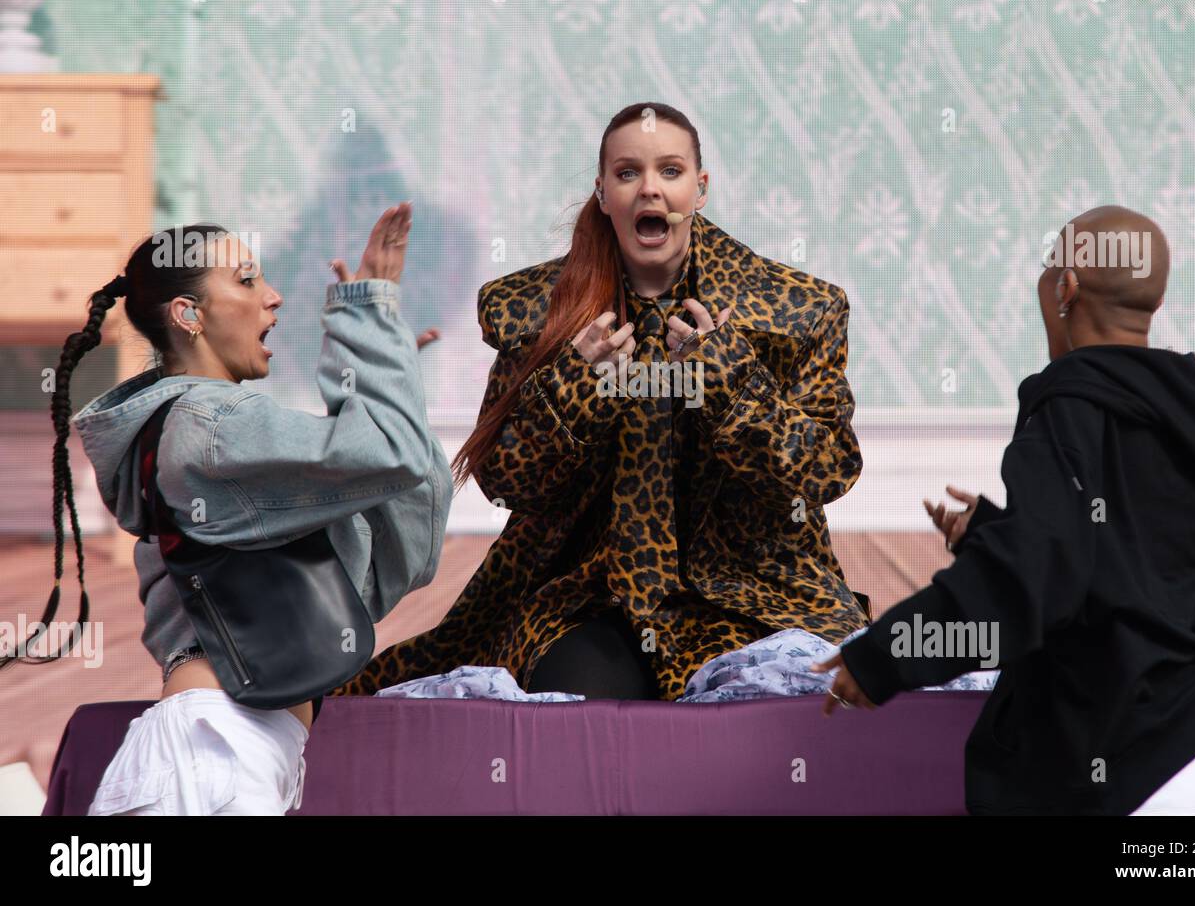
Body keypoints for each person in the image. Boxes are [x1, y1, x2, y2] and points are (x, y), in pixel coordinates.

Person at [338, 102, 870, 702]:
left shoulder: (795, 310)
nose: (649, 188)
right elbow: (508, 482)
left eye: (670, 171)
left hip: (751, 589)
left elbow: (826, 470)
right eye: (627, 173)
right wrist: (576, 383)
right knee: (578, 721)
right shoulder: (535, 309)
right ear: (602, 193)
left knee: (785, 718)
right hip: (586, 593)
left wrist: (727, 376)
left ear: (700, 190)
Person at [815, 205, 1195, 816]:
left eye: (1050, 269)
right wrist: (997, 530)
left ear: (1066, 288)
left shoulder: (1066, 410)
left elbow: (1028, 576)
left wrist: (883, 657)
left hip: (1147, 769)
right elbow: (1125, 550)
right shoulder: (1187, 413)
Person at [42, 206, 452, 814]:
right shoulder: (209, 427)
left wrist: (392, 384)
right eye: (246, 281)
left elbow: (403, 554)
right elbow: (391, 454)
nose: (274, 298)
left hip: (242, 755)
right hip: (210, 754)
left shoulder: (220, 445)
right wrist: (369, 314)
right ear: (189, 315)